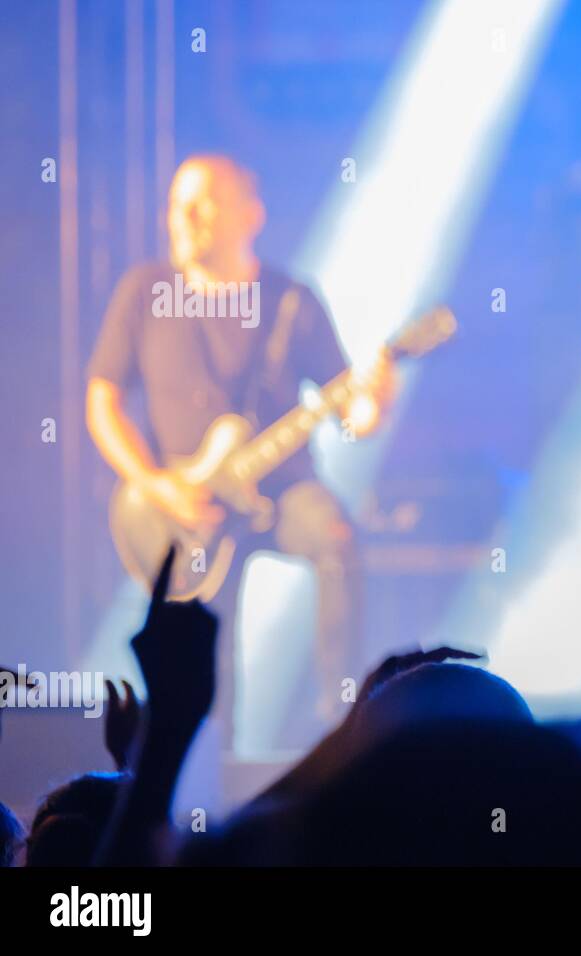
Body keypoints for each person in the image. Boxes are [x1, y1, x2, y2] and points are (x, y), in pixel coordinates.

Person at [85, 155, 395, 739]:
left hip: (279, 493)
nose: (183, 216)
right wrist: (156, 485)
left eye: (202, 203)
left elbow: (350, 412)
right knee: (208, 643)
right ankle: (206, 778)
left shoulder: (291, 302)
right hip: (186, 507)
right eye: (178, 203)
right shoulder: (144, 292)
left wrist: (375, 401)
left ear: (248, 215)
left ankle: (342, 725)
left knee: (337, 538)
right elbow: (102, 402)